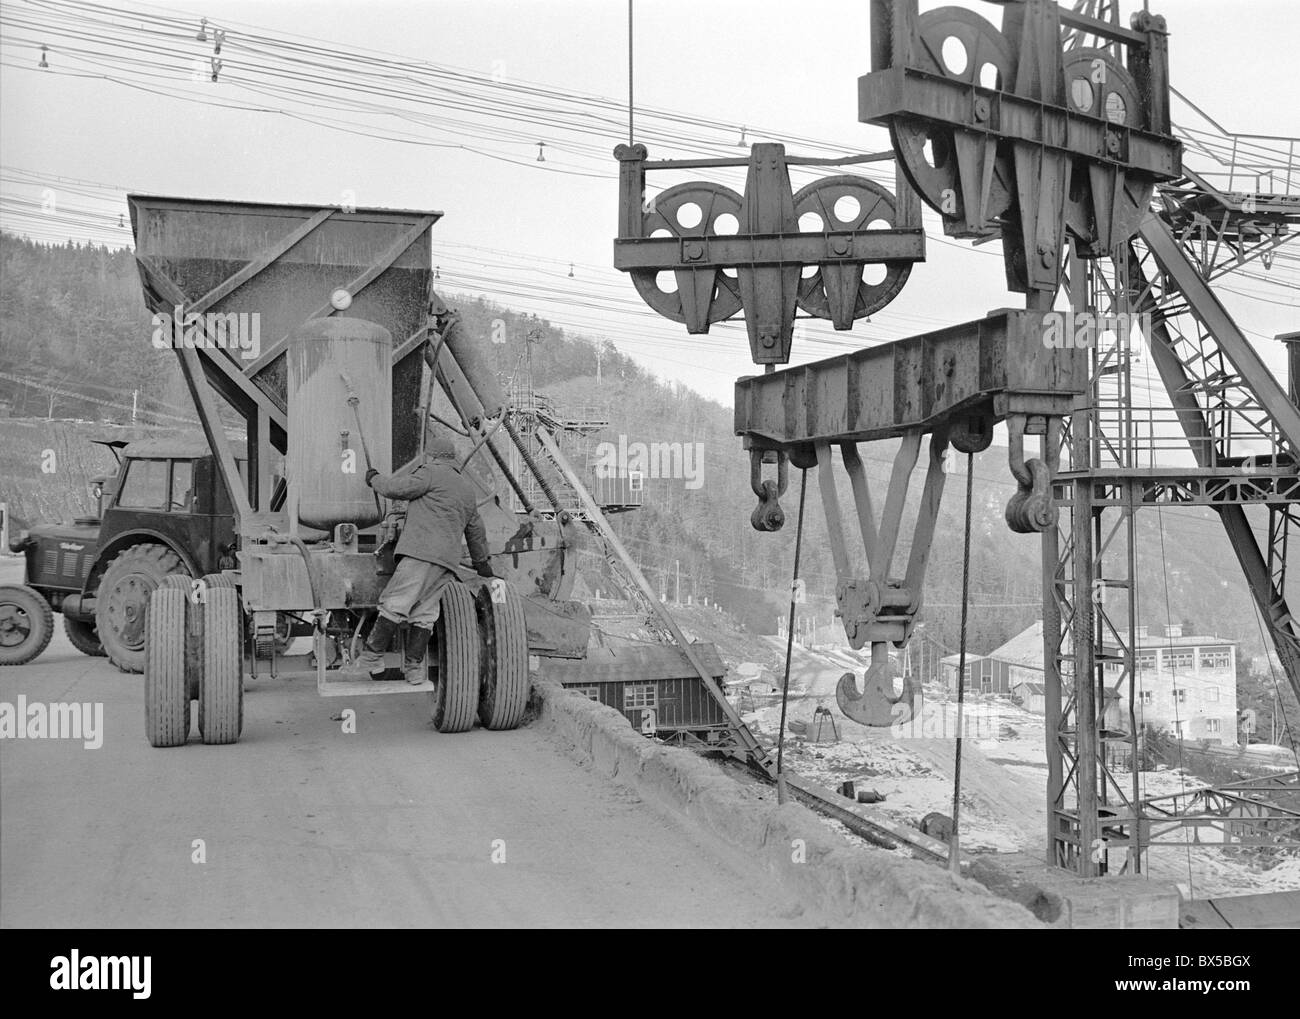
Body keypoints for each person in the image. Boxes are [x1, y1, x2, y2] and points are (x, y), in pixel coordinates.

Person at [355, 430, 497, 684]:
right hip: (447, 563)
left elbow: (395, 488)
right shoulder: (465, 488)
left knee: (395, 603)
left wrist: (374, 478)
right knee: (425, 614)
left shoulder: (430, 473)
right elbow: (476, 530)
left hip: (421, 553)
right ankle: (413, 669)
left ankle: (372, 656)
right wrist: (482, 564)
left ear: (432, 457)